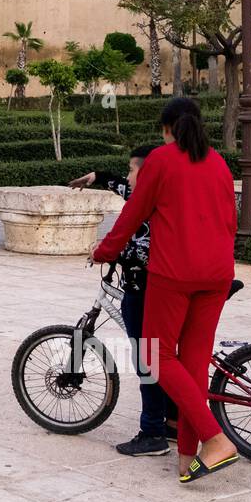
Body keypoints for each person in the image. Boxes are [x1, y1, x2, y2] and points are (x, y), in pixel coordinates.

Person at [92, 97, 240, 484]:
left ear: (166, 128)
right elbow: (231, 219)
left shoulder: (160, 159)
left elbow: (133, 213)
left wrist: (104, 250)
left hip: (176, 275)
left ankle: (216, 439)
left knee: (156, 356)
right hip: (217, 275)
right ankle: (187, 459)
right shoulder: (219, 162)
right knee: (191, 369)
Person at [70, 144, 178, 456]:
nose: (128, 177)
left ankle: (152, 431)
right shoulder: (160, 195)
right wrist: (97, 177)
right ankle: (173, 422)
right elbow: (121, 187)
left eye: (132, 170)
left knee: (147, 359)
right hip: (168, 285)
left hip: (144, 289)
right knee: (164, 355)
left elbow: (141, 249)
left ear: (147, 174)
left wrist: (104, 252)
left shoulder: (147, 204)